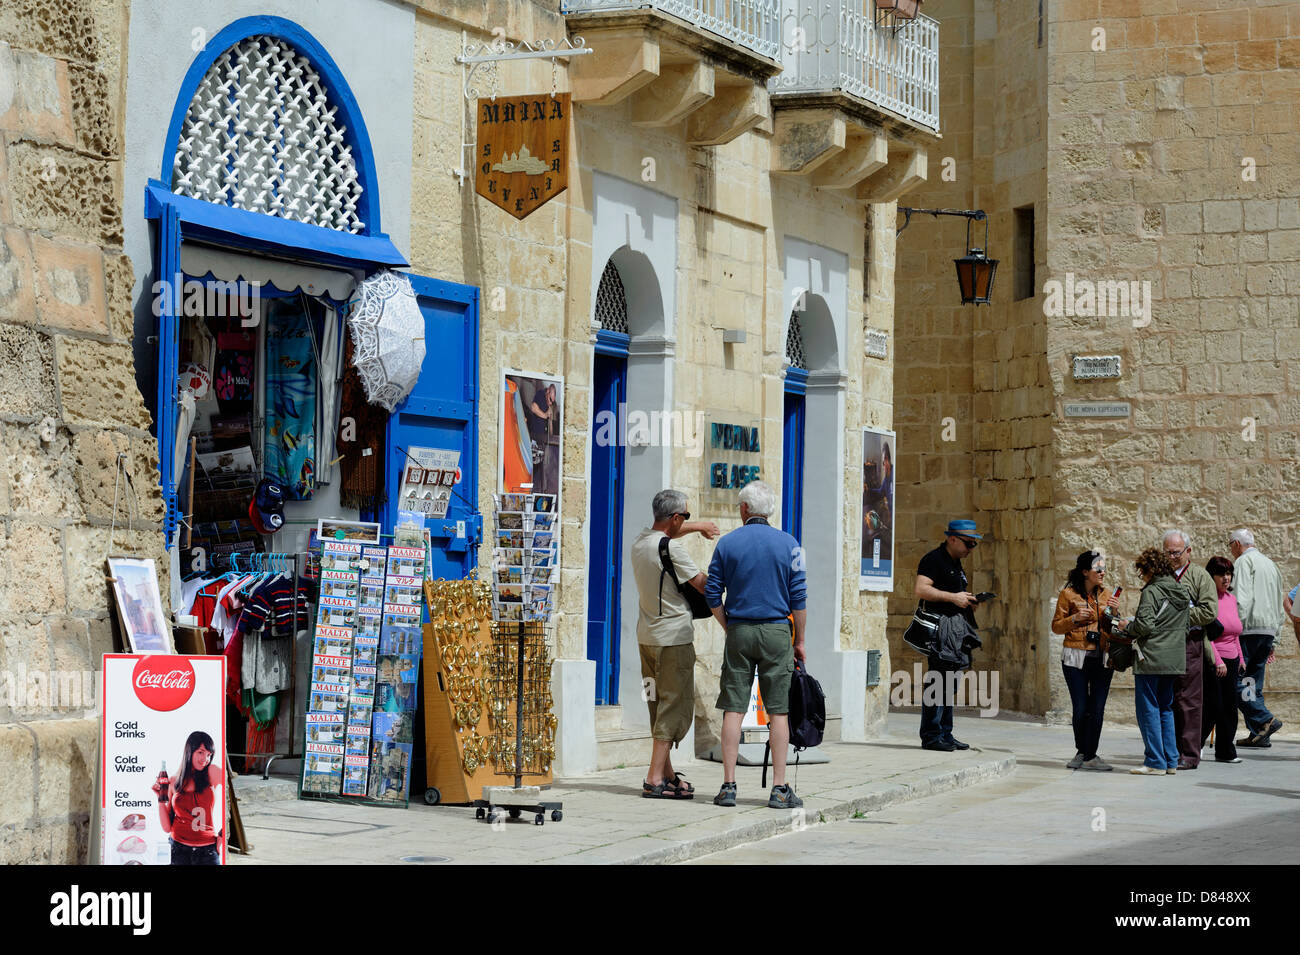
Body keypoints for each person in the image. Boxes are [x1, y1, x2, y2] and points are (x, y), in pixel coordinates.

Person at [706, 481, 806, 809]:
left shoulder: (727, 543)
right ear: (770, 510)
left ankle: (728, 785)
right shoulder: (790, 544)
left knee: (733, 707)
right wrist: (799, 640)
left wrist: (728, 625)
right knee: (779, 711)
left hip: (740, 629)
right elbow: (799, 599)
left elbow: (712, 593)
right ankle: (779, 789)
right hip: (777, 631)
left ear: (745, 509)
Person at [628, 490, 718, 799]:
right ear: (676, 518)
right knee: (674, 704)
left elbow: (665, 531)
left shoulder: (639, 542)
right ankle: (654, 777)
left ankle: (666, 773)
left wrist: (699, 524)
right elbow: (703, 585)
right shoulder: (672, 550)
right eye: (686, 517)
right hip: (674, 641)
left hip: (646, 642)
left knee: (655, 701)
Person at [911, 519, 985, 751]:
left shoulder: (955, 561)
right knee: (937, 682)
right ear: (952, 538)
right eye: (968, 544)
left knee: (950, 684)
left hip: (955, 631)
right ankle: (931, 737)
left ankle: (945, 733)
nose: (971, 549)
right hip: (939, 632)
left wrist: (967, 602)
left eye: (974, 545)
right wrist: (954, 598)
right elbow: (921, 589)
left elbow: (953, 593)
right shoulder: (934, 559)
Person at [1114, 548, 1189, 774]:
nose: (1142, 577)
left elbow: (1145, 626)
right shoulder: (1182, 591)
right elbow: (1185, 626)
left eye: (1142, 573)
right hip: (1174, 658)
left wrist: (1128, 626)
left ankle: (1155, 761)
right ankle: (1171, 760)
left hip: (1151, 658)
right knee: (1166, 707)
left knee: (1148, 709)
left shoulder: (1152, 592)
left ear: (1150, 570)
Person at [1050, 550, 1120, 770]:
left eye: (1104, 568)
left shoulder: (1108, 593)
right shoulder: (1068, 594)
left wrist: (1115, 614)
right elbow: (1056, 626)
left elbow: (1114, 627)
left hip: (1102, 656)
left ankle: (1091, 755)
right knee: (1081, 707)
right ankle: (1082, 751)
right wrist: (1074, 619)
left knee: (1097, 708)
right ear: (1084, 571)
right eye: (1097, 568)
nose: (1102, 572)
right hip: (1075, 657)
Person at [1161, 530, 1217, 770]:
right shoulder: (1161, 575)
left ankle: (1190, 754)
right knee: (1167, 698)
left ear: (1188, 551)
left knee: (1189, 700)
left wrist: (1177, 615)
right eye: (1168, 552)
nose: (1172, 557)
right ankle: (1168, 750)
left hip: (1189, 643)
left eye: (1176, 552)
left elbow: (1209, 611)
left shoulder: (1199, 576)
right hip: (1163, 644)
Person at [1228, 528, 1285, 747]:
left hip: (1248, 629)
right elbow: (1279, 602)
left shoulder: (1243, 562)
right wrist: (1276, 638)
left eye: (1230, 545)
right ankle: (1259, 733)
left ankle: (1265, 720)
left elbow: (1241, 598)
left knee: (1237, 681)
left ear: (1236, 544)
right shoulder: (1271, 565)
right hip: (1267, 630)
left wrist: (1233, 628)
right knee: (1252, 682)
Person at [153, 730, 223, 864]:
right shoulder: (174, 781)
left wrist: (222, 834)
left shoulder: (211, 771)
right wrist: (160, 800)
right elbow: (167, 828)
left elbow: (231, 791)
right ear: (189, 751)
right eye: (201, 752)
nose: (205, 759)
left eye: (209, 755)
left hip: (206, 851)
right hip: (177, 850)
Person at [1203, 556, 1243, 764]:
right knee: (1212, 707)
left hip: (1233, 660)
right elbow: (1207, 636)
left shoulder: (1231, 599)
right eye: (1221, 574)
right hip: (1215, 661)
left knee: (1230, 707)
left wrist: (1241, 659)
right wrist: (1217, 661)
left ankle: (1226, 751)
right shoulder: (1208, 601)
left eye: (1228, 573)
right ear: (1212, 577)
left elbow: (1235, 633)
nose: (1226, 578)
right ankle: (1194, 745)